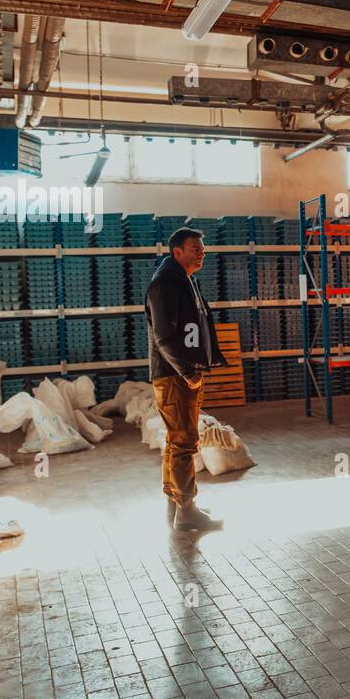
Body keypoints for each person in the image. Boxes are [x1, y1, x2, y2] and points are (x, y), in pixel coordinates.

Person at [145, 227, 228, 532]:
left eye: (202, 248)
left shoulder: (185, 280)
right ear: (176, 251)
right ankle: (187, 510)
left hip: (181, 372)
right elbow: (164, 337)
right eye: (195, 248)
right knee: (185, 441)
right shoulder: (165, 284)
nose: (201, 253)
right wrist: (187, 371)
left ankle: (175, 496)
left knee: (176, 437)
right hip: (174, 375)